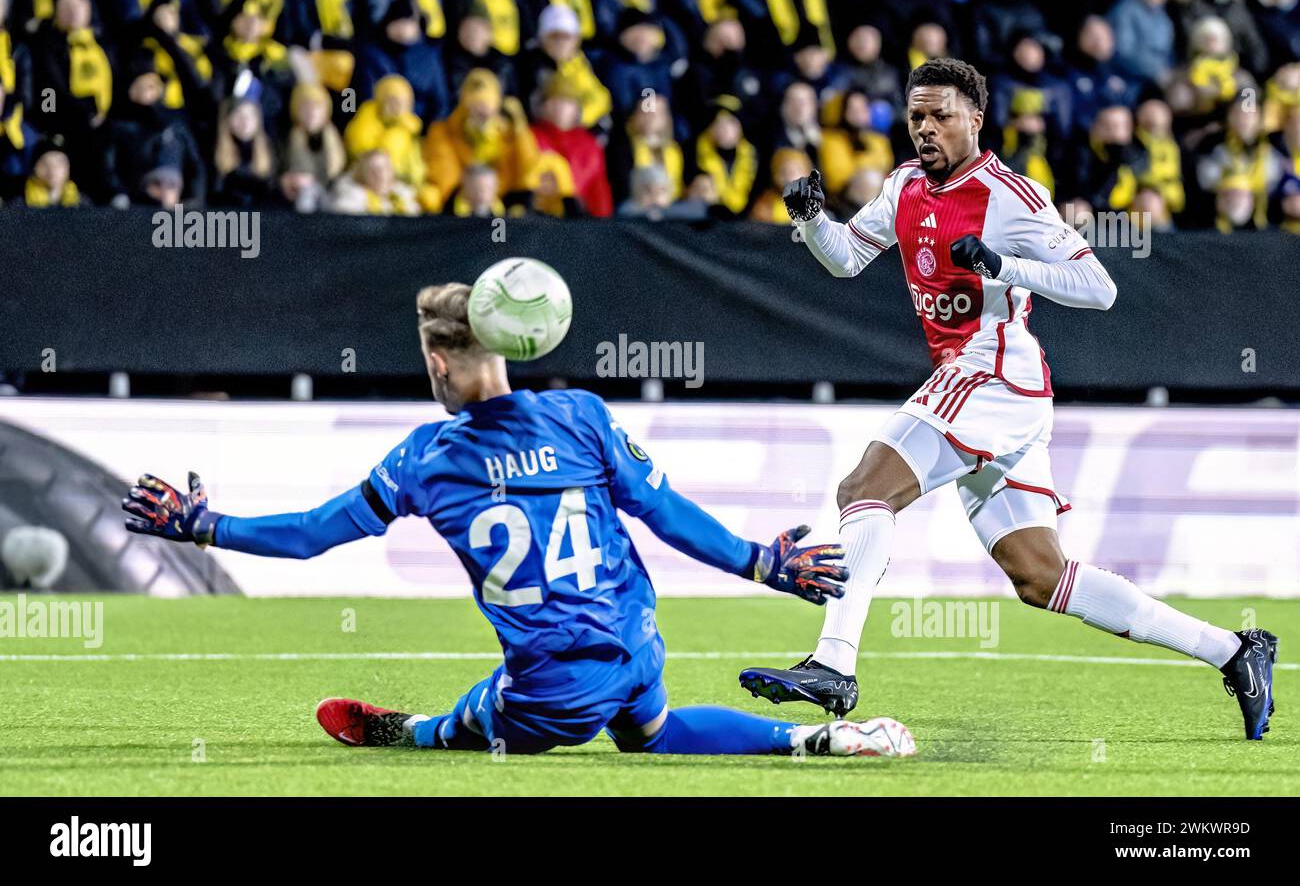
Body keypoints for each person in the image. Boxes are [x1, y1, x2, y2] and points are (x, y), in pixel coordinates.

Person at [118, 284, 913, 759]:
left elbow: (312, 534)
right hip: (638, 641)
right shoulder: (581, 415)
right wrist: (762, 564)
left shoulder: (425, 458)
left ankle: (418, 731)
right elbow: (665, 514)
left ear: (437, 363)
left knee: (472, 725)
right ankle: (825, 740)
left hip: (553, 689)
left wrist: (206, 525)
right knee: (654, 733)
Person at [741, 57, 1279, 742]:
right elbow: (846, 258)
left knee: (863, 487)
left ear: (976, 118)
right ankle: (1235, 652)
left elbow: (1098, 286)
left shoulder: (1011, 197)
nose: (925, 128)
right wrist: (813, 220)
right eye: (915, 116)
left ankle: (833, 663)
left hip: (993, 374)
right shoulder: (904, 184)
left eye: (940, 115)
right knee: (1041, 575)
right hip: (992, 394)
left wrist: (1003, 266)